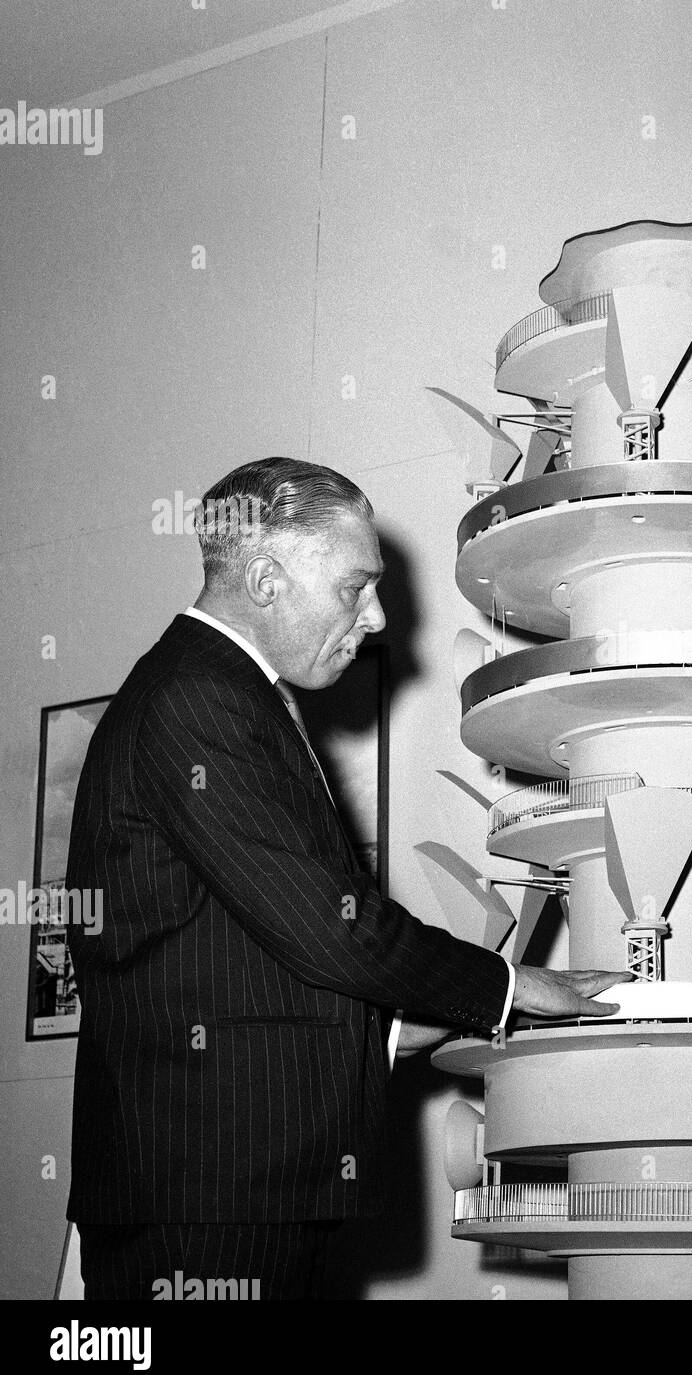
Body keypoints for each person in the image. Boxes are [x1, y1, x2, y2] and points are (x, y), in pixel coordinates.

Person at [65, 457, 628, 1299]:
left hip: (224, 1188)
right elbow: (329, 926)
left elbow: (232, 962)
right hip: (211, 1199)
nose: (376, 617)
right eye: (355, 587)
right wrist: (506, 987)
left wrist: (394, 1033)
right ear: (264, 578)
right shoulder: (200, 701)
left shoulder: (215, 694)